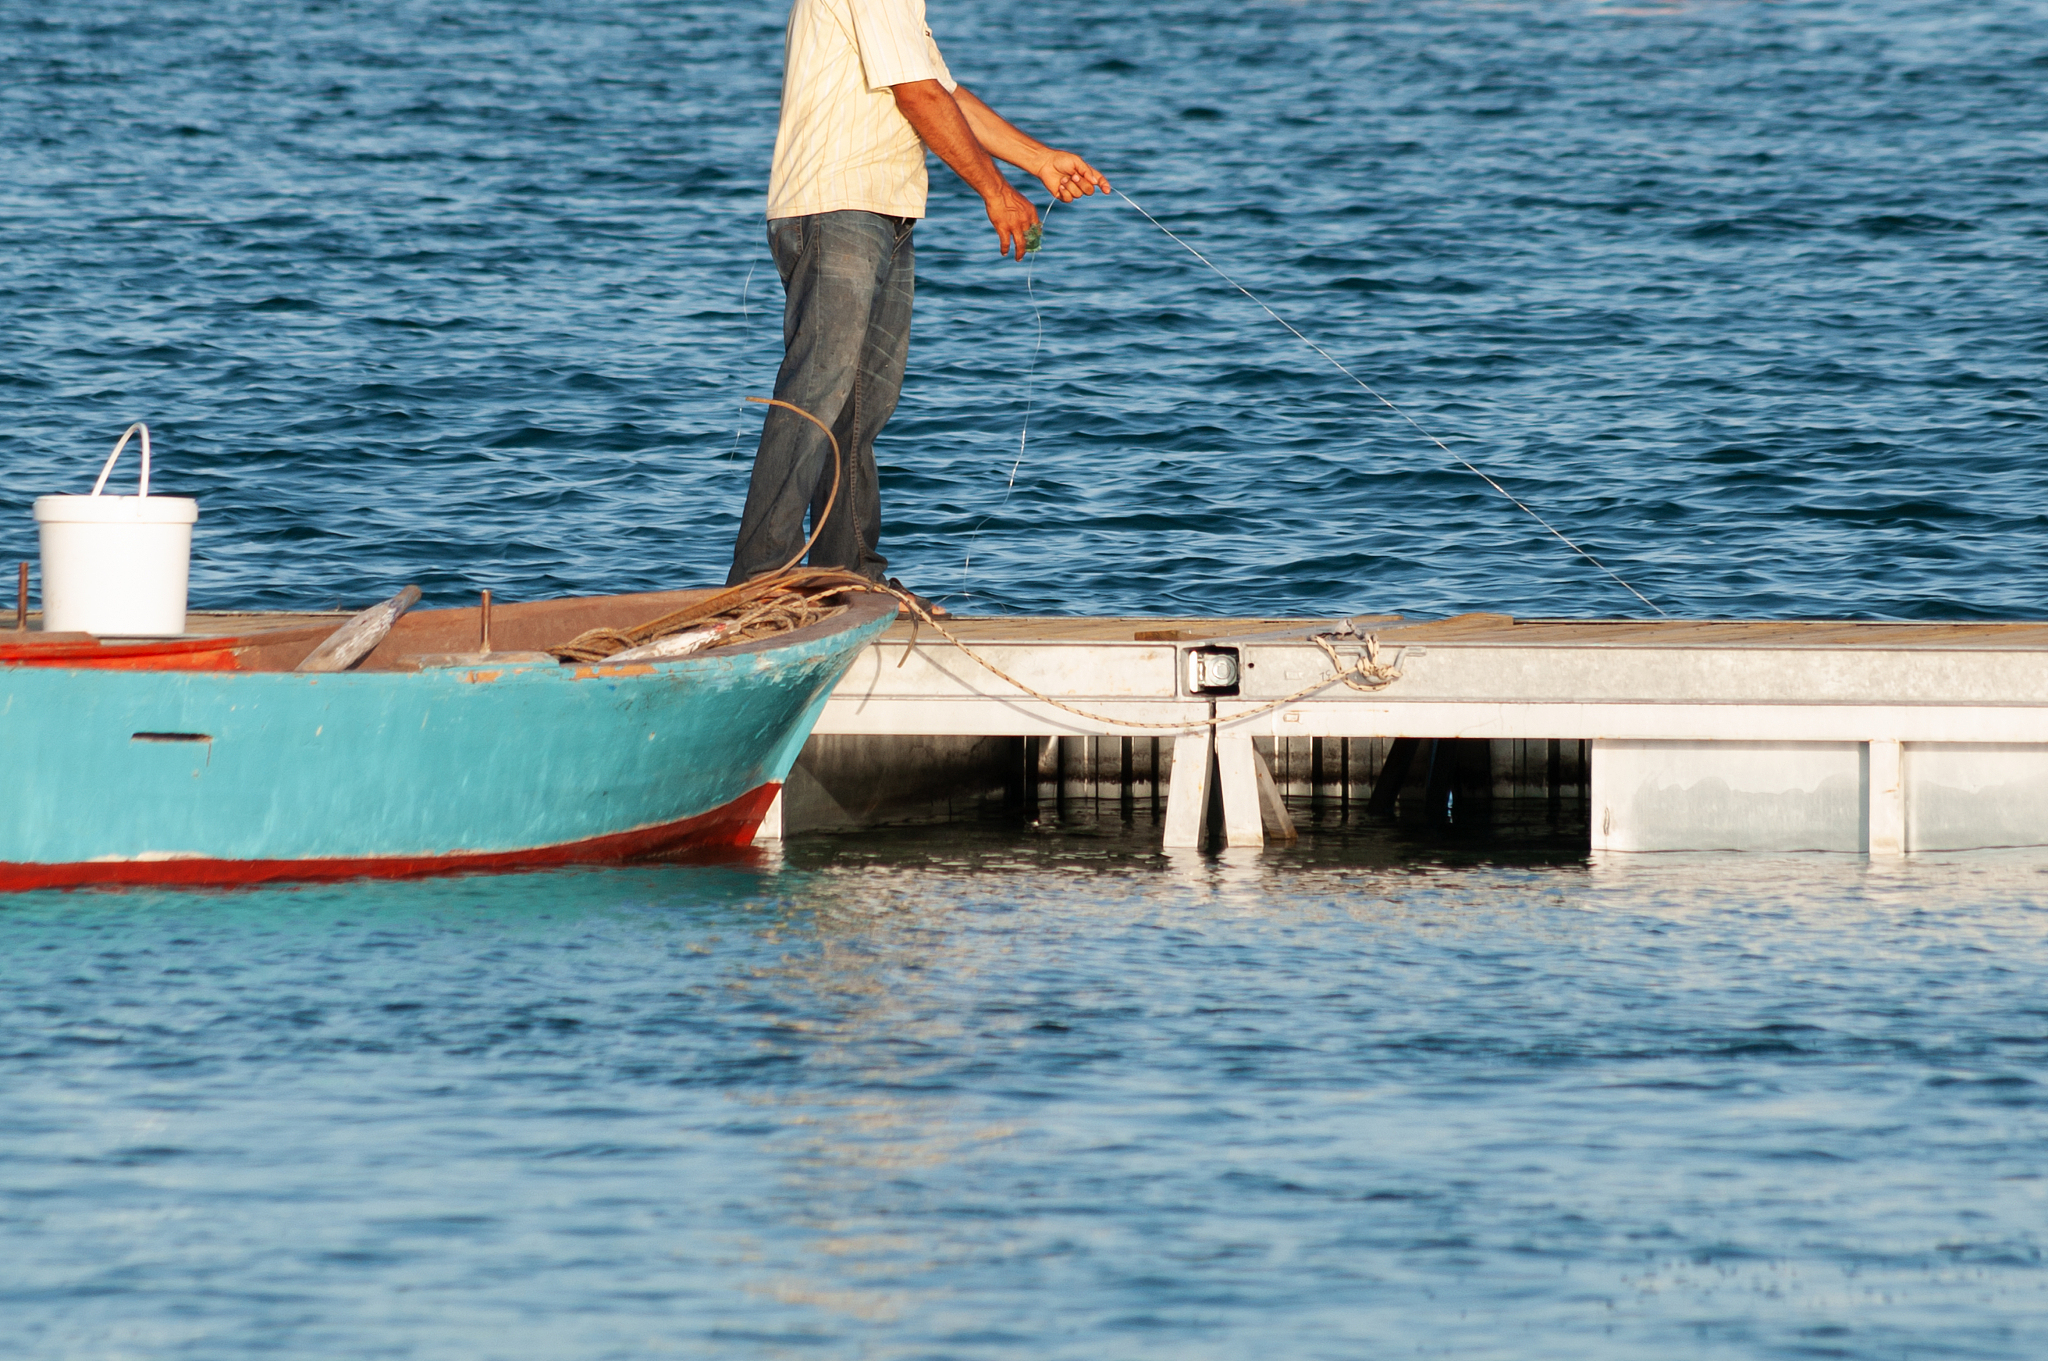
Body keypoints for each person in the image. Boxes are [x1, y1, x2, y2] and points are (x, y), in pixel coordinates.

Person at [725, 0, 1110, 610]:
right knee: (817, 390)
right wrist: (996, 191)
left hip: (883, 209)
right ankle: (758, 581)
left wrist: (1038, 160)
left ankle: (846, 578)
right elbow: (918, 96)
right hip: (838, 206)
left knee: (861, 406)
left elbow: (942, 90)